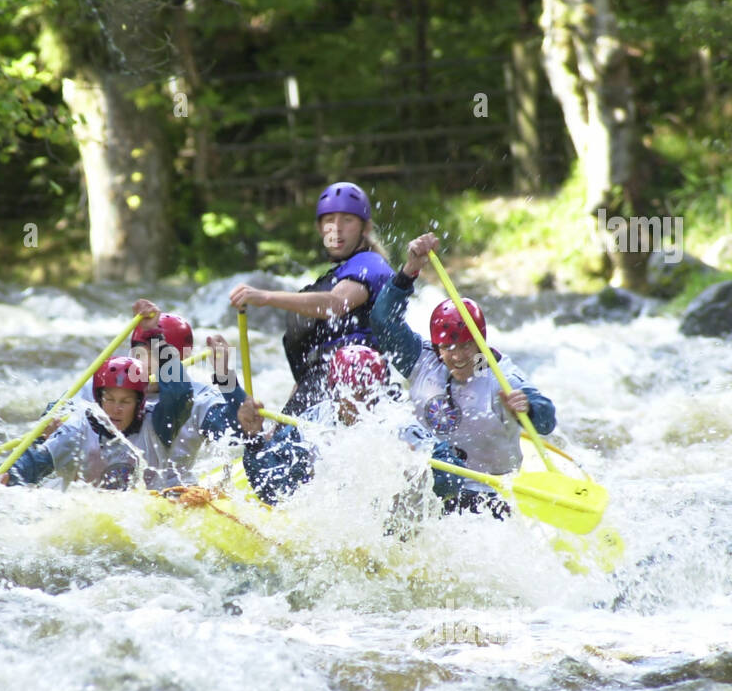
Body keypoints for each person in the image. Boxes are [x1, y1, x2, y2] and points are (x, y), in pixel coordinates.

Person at [371, 234, 556, 517]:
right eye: (447, 347)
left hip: (488, 494)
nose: (457, 356)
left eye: (467, 345)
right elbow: (383, 322)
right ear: (437, 345)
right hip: (428, 486)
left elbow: (546, 421)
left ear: (480, 341)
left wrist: (528, 408)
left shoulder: (502, 377)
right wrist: (409, 271)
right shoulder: (423, 360)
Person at [227, 182, 395, 416]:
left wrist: (266, 297)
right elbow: (310, 372)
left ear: (365, 228)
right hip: (320, 384)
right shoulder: (336, 275)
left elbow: (336, 304)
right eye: (329, 221)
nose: (336, 229)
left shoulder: (371, 264)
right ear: (320, 229)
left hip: (354, 384)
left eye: (347, 220)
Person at [234, 344, 464, 508]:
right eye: (353, 393)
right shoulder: (314, 422)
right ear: (335, 390)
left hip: (390, 528)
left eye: (369, 393)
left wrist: (419, 467)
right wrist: (253, 440)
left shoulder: (400, 424)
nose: (361, 401)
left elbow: (453, 481)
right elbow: (273, 489)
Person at [0, 356, 192, 490]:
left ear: (139, 404)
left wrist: (157, 341)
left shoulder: (156, 426)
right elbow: (35, 460)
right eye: (110, 400)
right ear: (99, 399)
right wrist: (6, 477)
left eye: (125, 402)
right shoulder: (78, 428)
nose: (115, 409)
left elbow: (180, 395)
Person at [129, 299, 248, 471]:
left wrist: (226, 378)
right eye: (137, 352)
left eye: (154, 355)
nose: (141, 363)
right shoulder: (111, 386)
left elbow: (239, 432)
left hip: (172, 490)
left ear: (180, 361)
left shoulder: (199, 400)